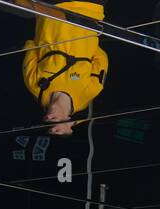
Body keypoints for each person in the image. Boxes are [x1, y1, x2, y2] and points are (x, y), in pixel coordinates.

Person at [22, 2, 107, 136]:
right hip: (88, 10)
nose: (49, 119)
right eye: (56, 129)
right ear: (69, 124)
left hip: (53, 9)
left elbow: (31, 47)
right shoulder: (87, 93)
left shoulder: (35, 86)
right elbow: (101, 59)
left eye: (47, 124)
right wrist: (84, 41)